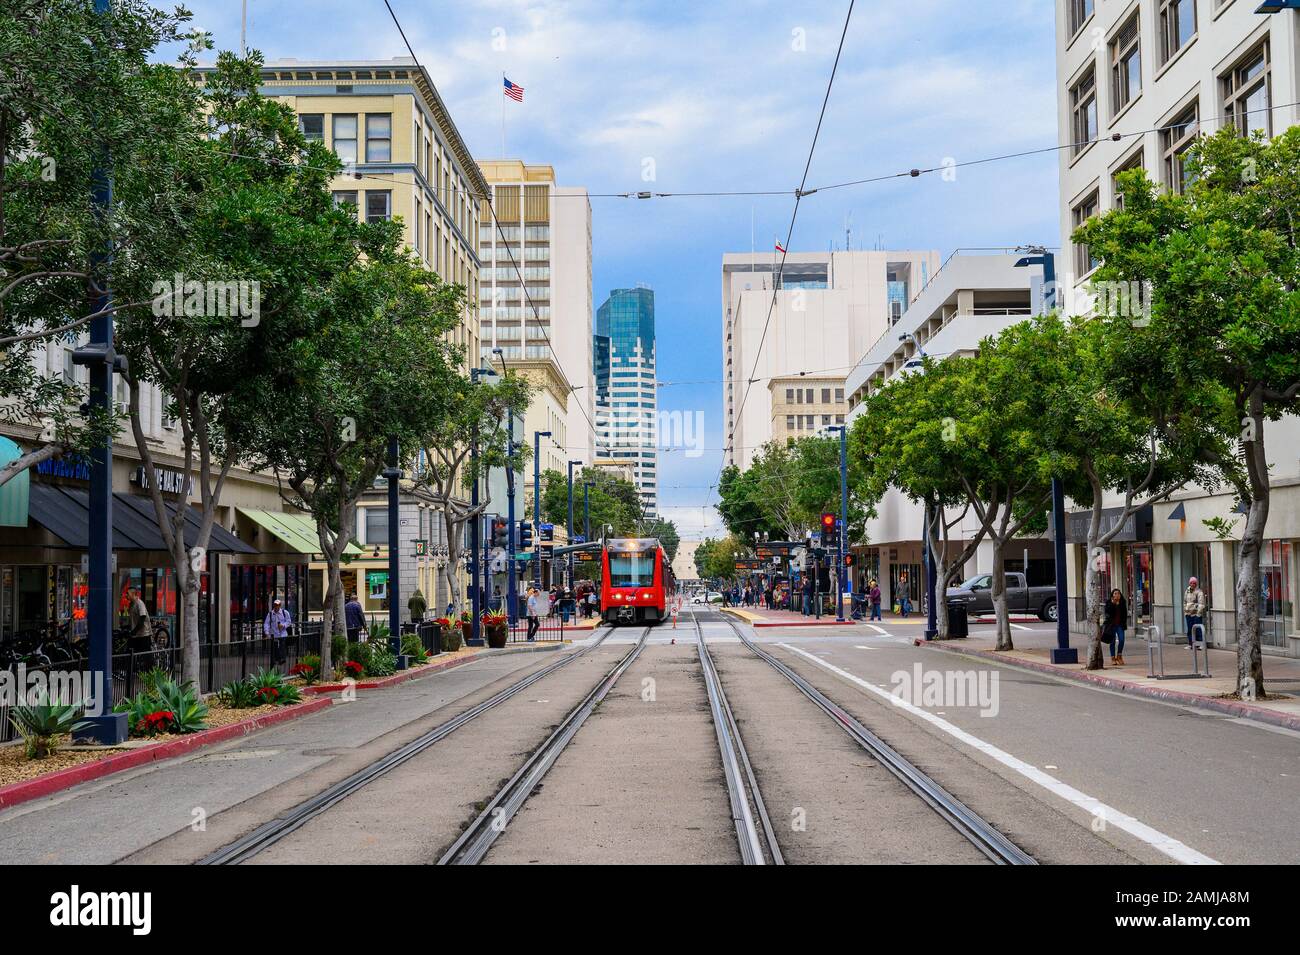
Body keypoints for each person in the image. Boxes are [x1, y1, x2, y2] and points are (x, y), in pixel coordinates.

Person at [1102, 588, 1129, 666]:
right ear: (1112, 595)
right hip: (1111, 625)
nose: (1117, 595)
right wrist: (1113, 604)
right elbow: (1107, 612)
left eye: (1118, 594)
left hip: (1120, 625)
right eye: (1115, 594)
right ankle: (1113, 658)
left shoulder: (1123, 602)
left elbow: (1124, 614)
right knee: (1112, 642)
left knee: (1122, 640)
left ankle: (1119, 655)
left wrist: (1124, 624)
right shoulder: (1109, 602)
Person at [264, 597, 292, 664]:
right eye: (275, 605)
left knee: (282, 646)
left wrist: (283, 625)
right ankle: (276, 659)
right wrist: (267, 632)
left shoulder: (285, 612)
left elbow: (289, 621)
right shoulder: (270, 614)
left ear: (280, 605)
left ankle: (282, 659)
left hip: (282, 633)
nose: (276, 606)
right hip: (274, 634)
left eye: (277, 605)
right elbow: (266, 623)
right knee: (275, 647)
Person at [1183, 576, 1207, 646]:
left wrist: (1198, 614)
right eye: (1191, 583)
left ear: (1196, 584)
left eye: (1194, 583)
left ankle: (1200, 644)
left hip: (1196, 614)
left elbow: (1201, 604)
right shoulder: (1187, 591)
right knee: (1190, 630)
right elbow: (1184, 602)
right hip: (1188, 614)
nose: (1192, 584)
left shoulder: (1199, 592)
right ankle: (1191, 644)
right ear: (1189, 583)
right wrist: (1185, 611)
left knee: (1198, 630)